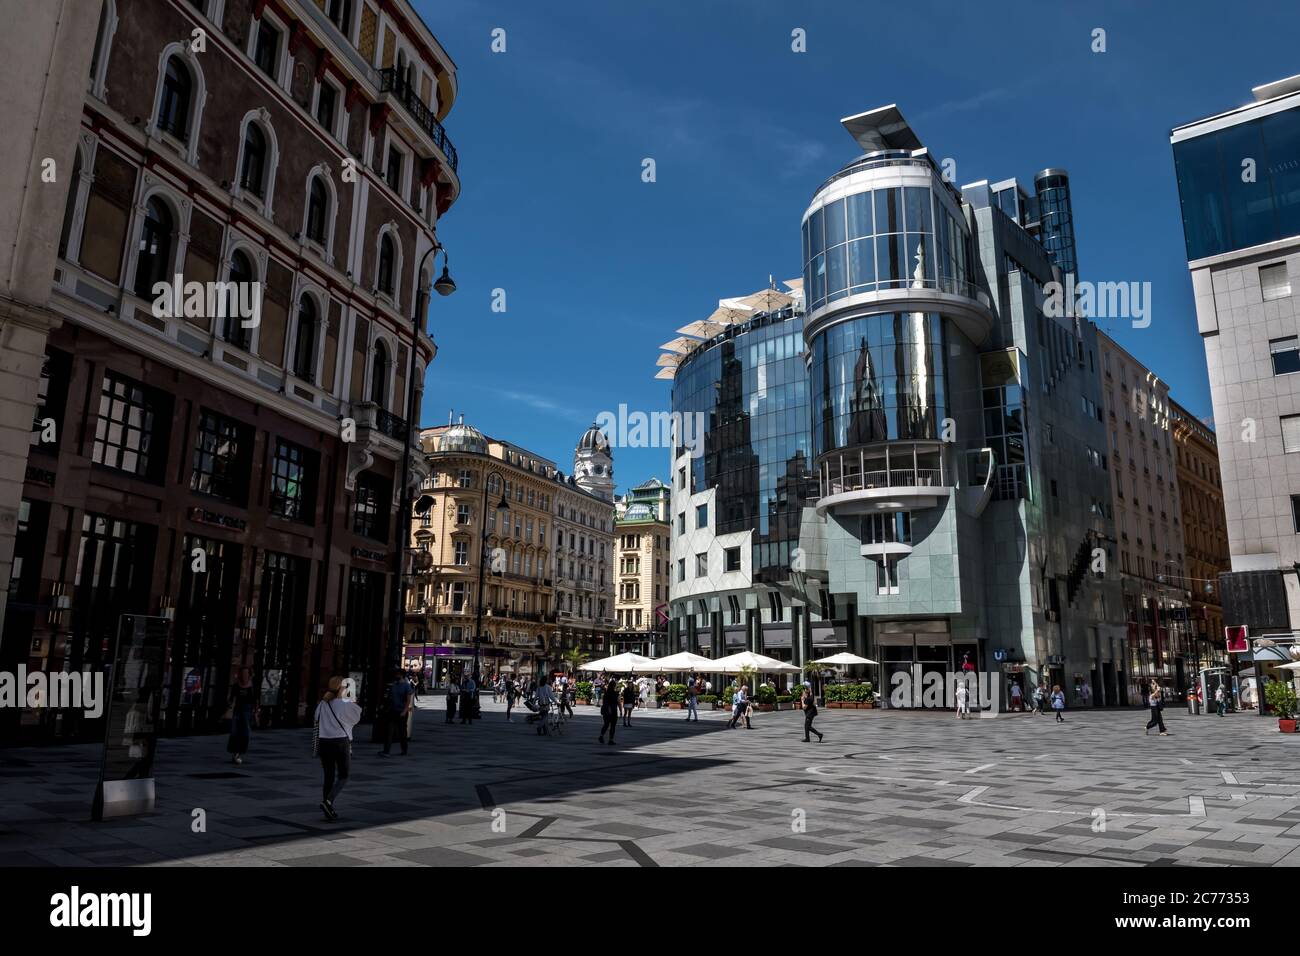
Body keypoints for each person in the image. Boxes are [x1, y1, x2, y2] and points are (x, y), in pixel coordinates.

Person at [315, 676, 362, 821]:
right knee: (343, 775)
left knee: (328, 776)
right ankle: (328, 801)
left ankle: (328, 807)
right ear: (343, 688)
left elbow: (316, 719)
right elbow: (356, 718)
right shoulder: (346, 704)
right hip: (341, 742)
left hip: (324, 742)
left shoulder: (323, 704)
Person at [226, 667, 257, 765]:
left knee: (245, 731)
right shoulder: (236, 686)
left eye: (246, 673)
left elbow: (255, 700)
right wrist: (229, 705)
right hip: (237, 710)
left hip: (247, 711)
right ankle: (235, 753)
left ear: (249, 675)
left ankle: (239, 753)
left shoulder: (252, 686)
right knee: (235, 731)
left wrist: (256, 712)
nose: (244, 676)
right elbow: (231, 699)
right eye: (242, 673)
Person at [380, 668, 414, 756]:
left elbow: (408, 700)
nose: (396, 676)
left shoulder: (407, 686)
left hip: (401, 712)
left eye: (397, 674)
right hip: (392, 711)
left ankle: (404, 750)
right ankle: (386, 751)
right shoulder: (394, 685)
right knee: (389, 731)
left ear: (402, 675)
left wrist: (404, 711)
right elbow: (390, 697)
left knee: (402, 732)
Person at [599, 677, 620, 745]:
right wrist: (621, 710)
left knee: (606, 724)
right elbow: (618, 702)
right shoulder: (615, 693)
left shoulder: (606, 693)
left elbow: (605, 702)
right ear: (614, 686)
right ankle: (611, 740)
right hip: (613, 711)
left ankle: (601, 736)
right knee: (613, 726)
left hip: (606, 711)